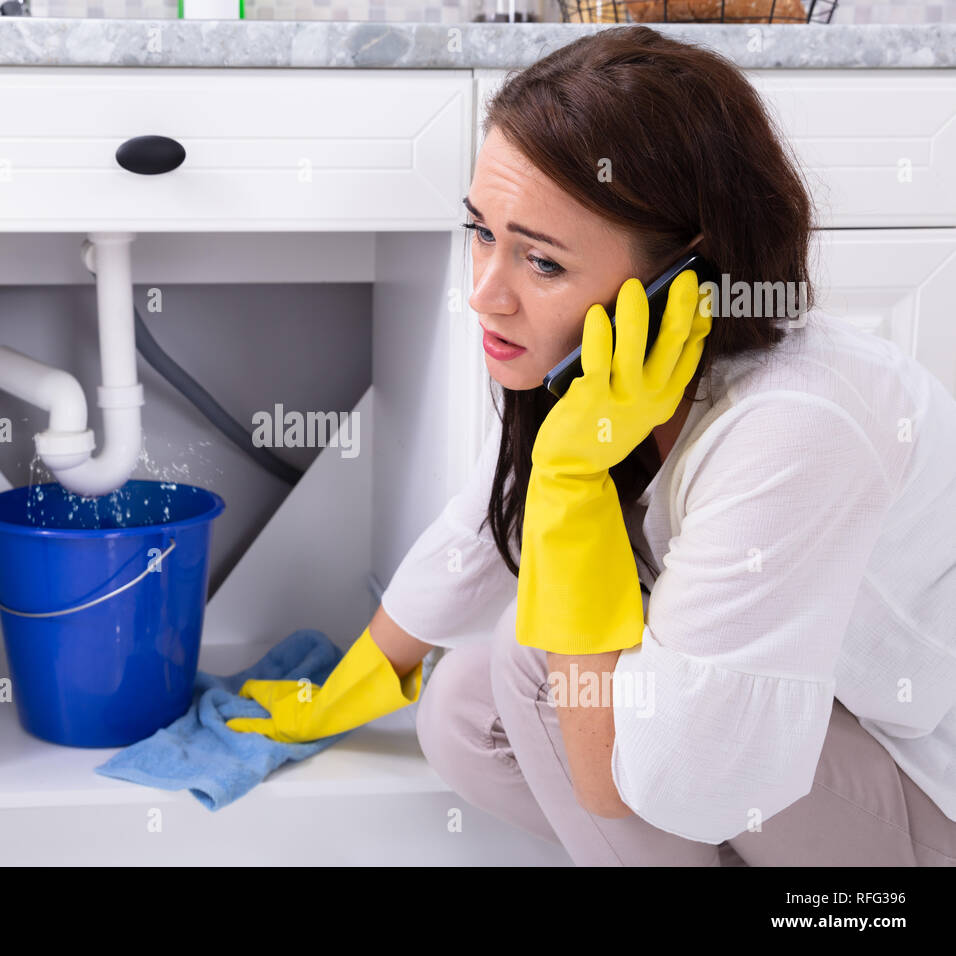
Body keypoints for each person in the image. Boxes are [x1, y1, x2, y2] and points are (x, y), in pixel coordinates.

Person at [225, 25, 956, 866]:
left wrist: (571, 482)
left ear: (684, 280)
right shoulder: (606, 374)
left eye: (541, 262)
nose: (484, 295)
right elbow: (480, 533)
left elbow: (652, 780)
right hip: (787, 753)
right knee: (463, 709)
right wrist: (347, 687)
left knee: (538, 663)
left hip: (917, 797)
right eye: (484, 232)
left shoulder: (798, 423)